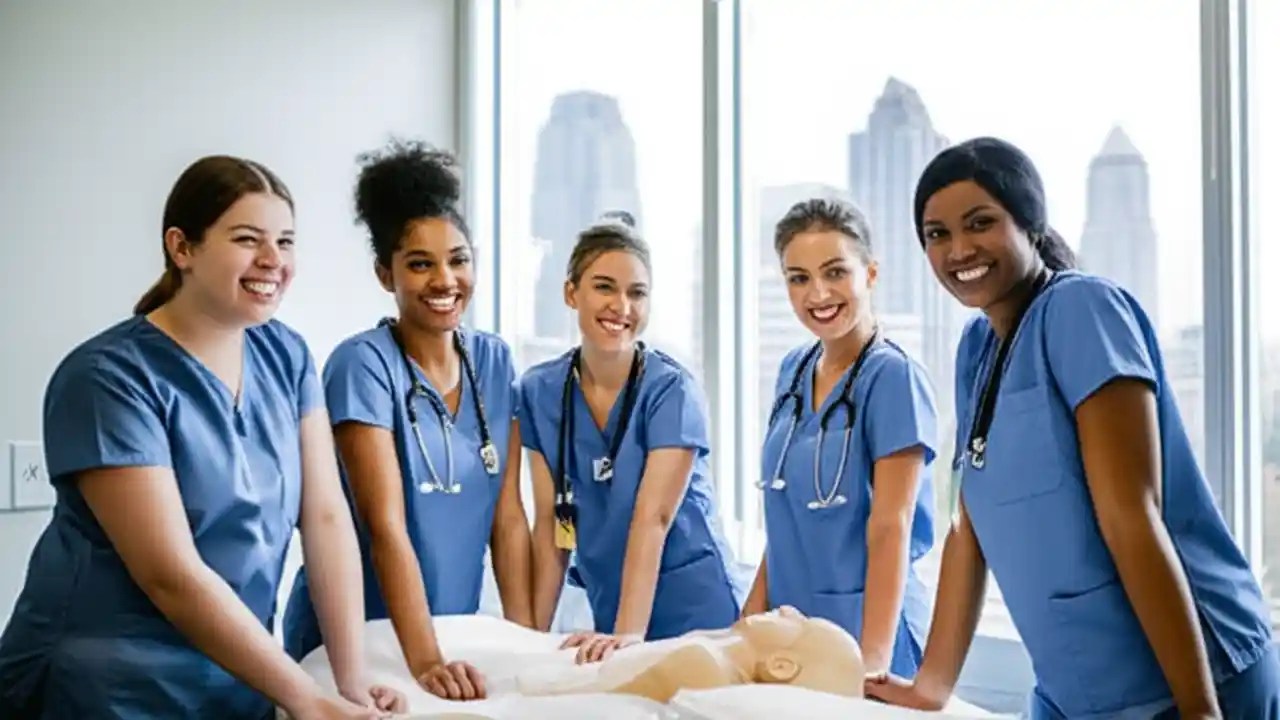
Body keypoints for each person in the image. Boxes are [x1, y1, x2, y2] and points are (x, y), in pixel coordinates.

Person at [866, 137, 1280, 719]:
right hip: (1075, 688)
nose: (959, 249)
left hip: (1189, 679)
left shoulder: (1083, 310)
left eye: (980, 223)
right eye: (937, 234)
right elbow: (968, 527)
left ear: (1030, 224)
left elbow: (1131, 513)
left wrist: (1200, 708)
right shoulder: (977, 348)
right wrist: (930, 686)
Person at [0, 156, 405, 719]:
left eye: (286, 242)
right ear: (181, 247)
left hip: (240, 675)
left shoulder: (286, 355)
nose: (273, 261)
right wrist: (307, 700)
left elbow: (326, 518)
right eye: (248, 239)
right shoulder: (107, 378)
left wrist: (349, 682)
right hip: (107, 687)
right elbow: (171, 575)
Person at [282, 140, 533, 702]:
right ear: (384, 273)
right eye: (420, 264)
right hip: (358, 638)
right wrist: (425, 662)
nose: (445, 279)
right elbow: (384, 526)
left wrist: (527, 645)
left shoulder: (493, 363)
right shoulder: (363, 365)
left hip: (451, 630)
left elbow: (509, 520)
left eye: (458, 259)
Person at [519, 212, 742, 665]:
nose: (621, 305)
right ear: (570, 292)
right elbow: (552, 527)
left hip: (697, 610)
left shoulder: (670, 390)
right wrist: (527, 642)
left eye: (636, 292)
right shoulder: (540, 392)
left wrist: (628, 635)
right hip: (615, 614)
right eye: (604, 287)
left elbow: (653, 519)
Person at [741, 196, 938, 681]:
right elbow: (784, 517)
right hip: (794, 633)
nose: (818, 293)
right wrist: (743, 628)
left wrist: (870, 664)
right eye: (799, 278)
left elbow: (892, 526)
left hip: (871, 636)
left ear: (869, 274)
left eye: (835, 272)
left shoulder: (892, 378)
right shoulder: (792, 371)